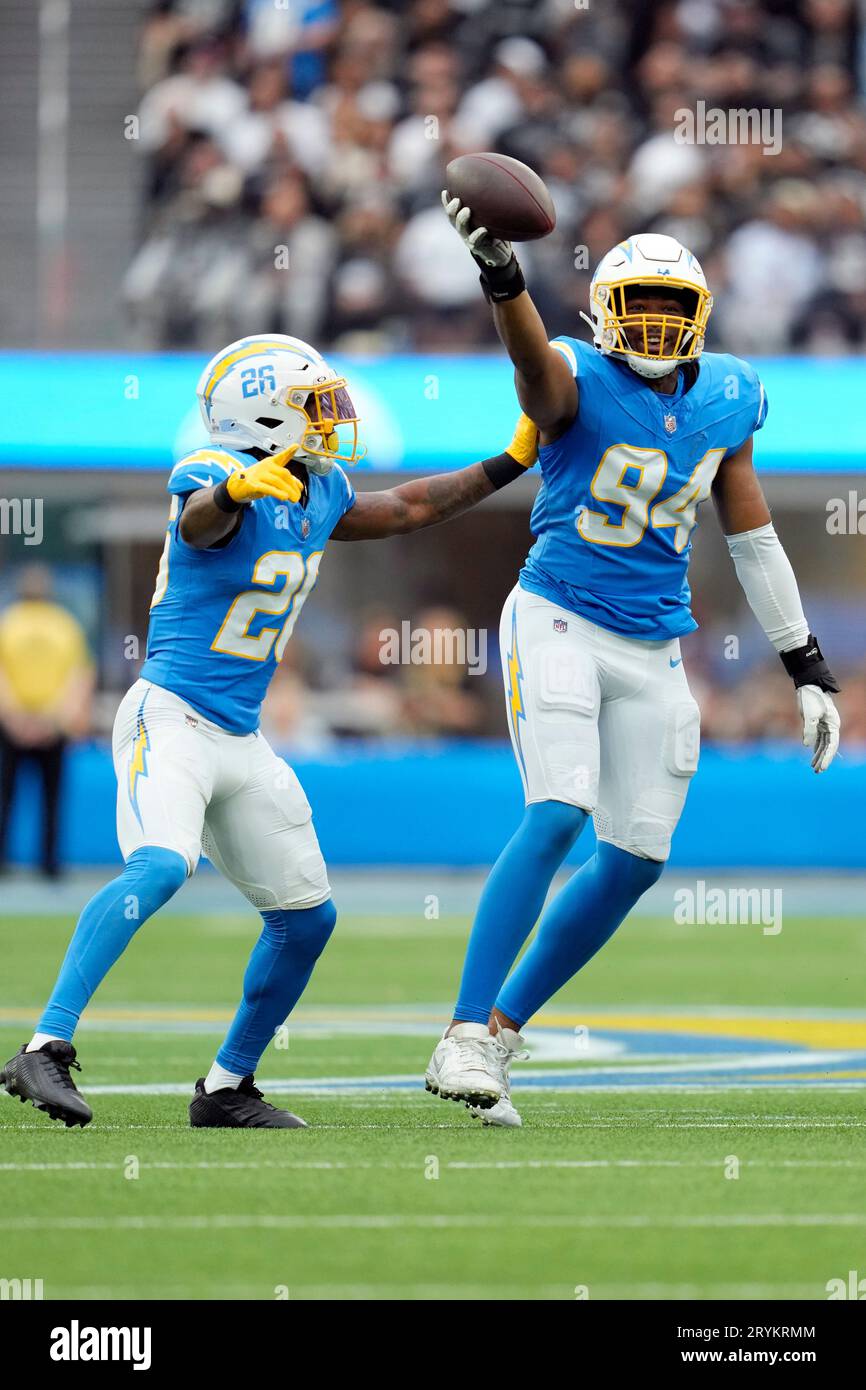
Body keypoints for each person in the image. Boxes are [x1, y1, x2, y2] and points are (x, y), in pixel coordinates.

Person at [1, 334, 535, 1130]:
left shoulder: (321, 490)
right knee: (159, 867)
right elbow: (199, 528)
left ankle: (226, 1087)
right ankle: (44, 1047)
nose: (329, 419)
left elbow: (409, 507)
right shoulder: (211, 471)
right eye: (313, 404)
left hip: (239, 739)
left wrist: (510, 459)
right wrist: (240, 491)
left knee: (307, 919)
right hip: (171, 715)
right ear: (263, 412)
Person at [425, 207, 842, 1128]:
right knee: (558, 812)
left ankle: (497, 1034)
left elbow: (754, 535)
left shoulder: (729, 395)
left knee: (635, 861)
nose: (653, 322)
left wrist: (806, 665)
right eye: (637, 304)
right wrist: (505, 279)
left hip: (655, 644)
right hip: (560, 617)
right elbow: (536, 375)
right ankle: (459, 1029)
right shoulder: (575, 374)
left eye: (670, 305)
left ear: (699, 313)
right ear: (605, 311)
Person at [0, 566, 93, 879]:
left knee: (8, 797)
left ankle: (8, 862)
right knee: (50, 799)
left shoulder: (8, 622)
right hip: (51, 727)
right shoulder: (65, 625)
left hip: (16, 726)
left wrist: (16, 717)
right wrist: (55, 718)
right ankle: (49, 865)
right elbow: (80, 676)